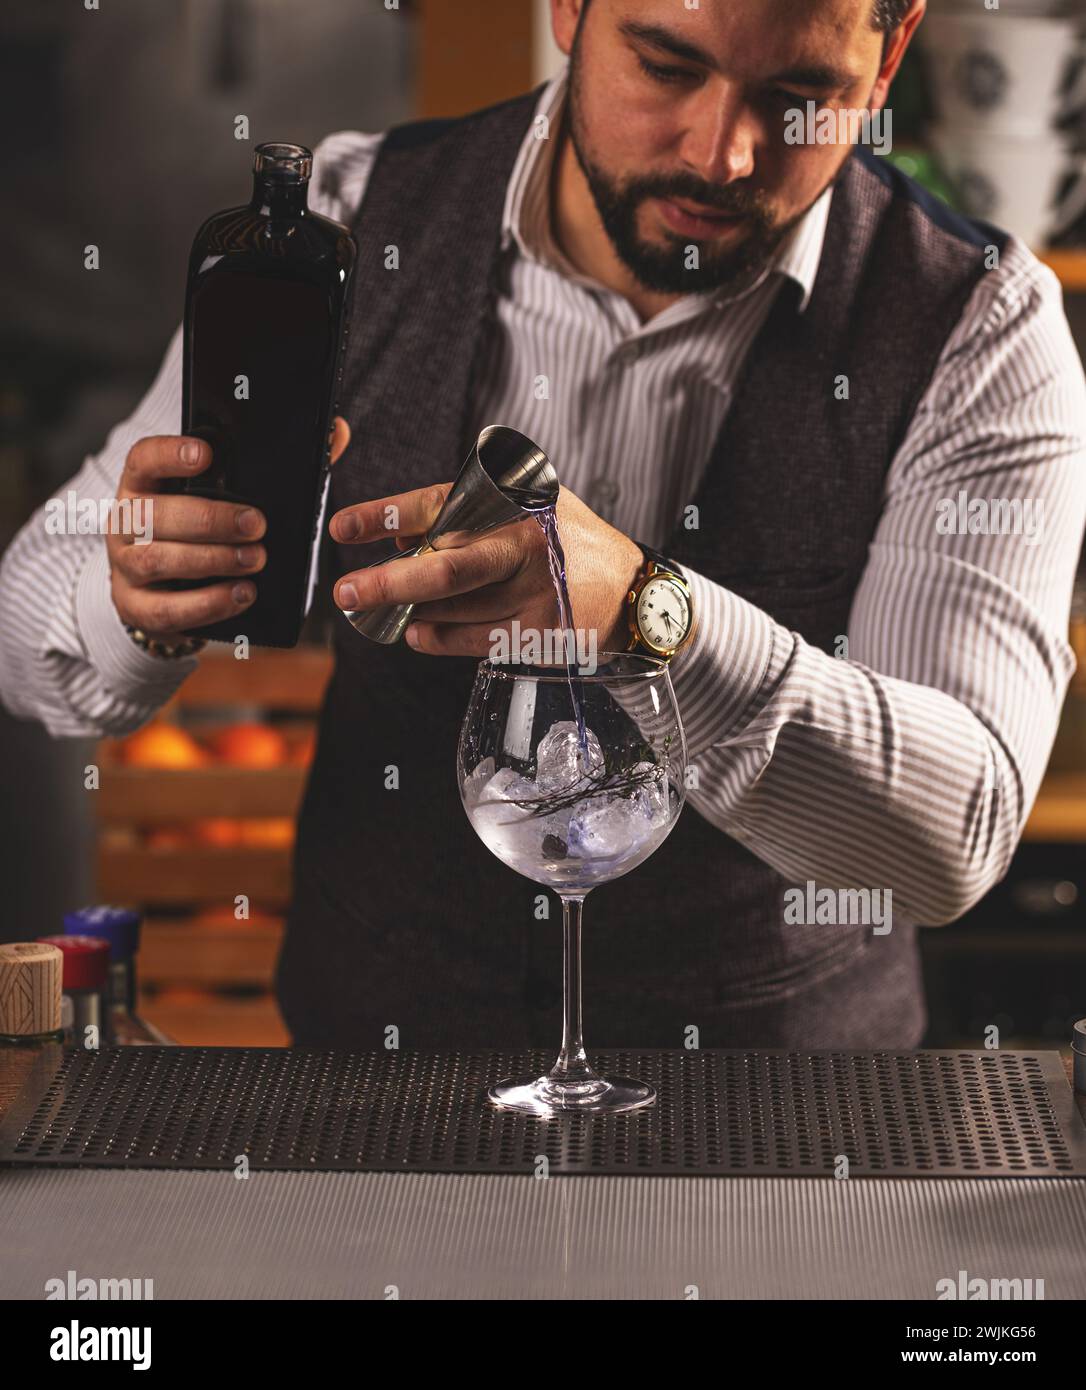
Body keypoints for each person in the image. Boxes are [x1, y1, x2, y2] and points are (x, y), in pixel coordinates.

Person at [2, 0, 1084, 1052]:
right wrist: (138, 592)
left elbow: (957, 836)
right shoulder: (350, 214)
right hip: (370, 1101)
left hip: (777, 1134)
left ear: (891, 56)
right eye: (666, 67)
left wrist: (652, 614)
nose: (722, 156)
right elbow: (26, 628)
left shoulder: (982, 325)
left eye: (801, 95)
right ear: (568, 7)